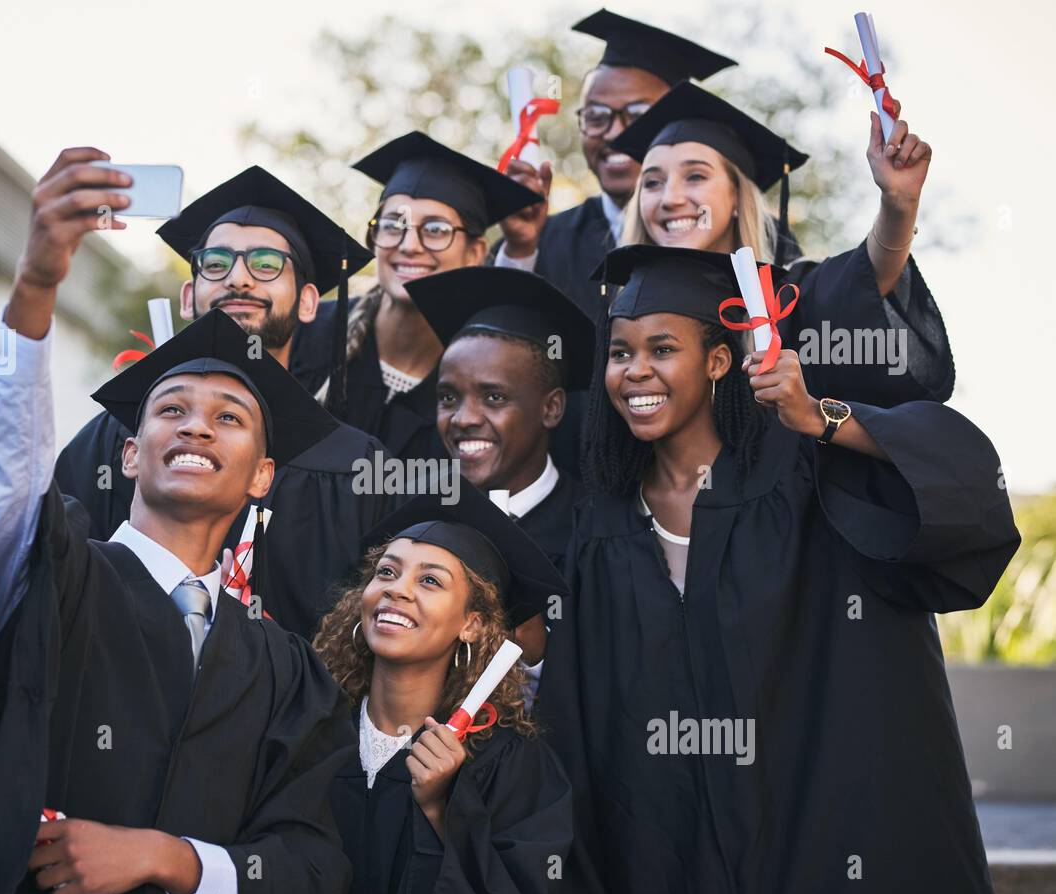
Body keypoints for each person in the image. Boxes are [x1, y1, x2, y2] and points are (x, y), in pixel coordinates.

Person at [0, 148, 354, 894]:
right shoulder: (57, 575)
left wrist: (168, 857)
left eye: (230, 417)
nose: (195, 425)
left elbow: (309, 863)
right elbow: (5, 479)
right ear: (127, 452)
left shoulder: (286, 671)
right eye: (171, 409)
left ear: (264, 473)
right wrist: (38, 286)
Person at [540, 244, 1019, 894]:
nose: (634, 369)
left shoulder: (801, 477)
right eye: (619, 351)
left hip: (821, 847)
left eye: (662, 347)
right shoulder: (603, 521)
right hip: (667, 864)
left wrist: (824, 417)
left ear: (719, 360)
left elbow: (968, 483)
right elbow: (573, 715)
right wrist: (579, 890)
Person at [54, 166, 397, 640]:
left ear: (308, 301)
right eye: (216, 263)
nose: (238, 278)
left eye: (266, 264)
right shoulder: (120, 433)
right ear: (190, 295)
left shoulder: (357, 466)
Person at [313, 485, 605, 894]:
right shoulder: (315, 737)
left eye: (430, 581)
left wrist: (442, 810)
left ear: (471, 624)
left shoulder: (509, 762)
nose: (397, 588)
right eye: (386, 571)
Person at [609, 81, 953, 406]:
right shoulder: (622, 313)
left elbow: (866, 278)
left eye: (696, 176)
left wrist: (898, 205)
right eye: (652, 183)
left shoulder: (787, 297)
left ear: (736, 198)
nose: (670, 198)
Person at [292, 132, 541, 461]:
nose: (409, 245)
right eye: (393, 225)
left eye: (436, 229)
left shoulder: (482, 369)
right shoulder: (307, 335)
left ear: (475, 252)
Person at [496, 10, 739, 317]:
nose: (613, 134)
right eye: (596, 116)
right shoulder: (544, 240)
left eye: (638, 115)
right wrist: (520, 251)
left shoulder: (747, 238)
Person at [404, 265, 594, 573]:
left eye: (494, 397)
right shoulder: (412, 511)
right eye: (448, 398)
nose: (463, 419)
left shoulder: (593, 533)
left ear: (552, 408)